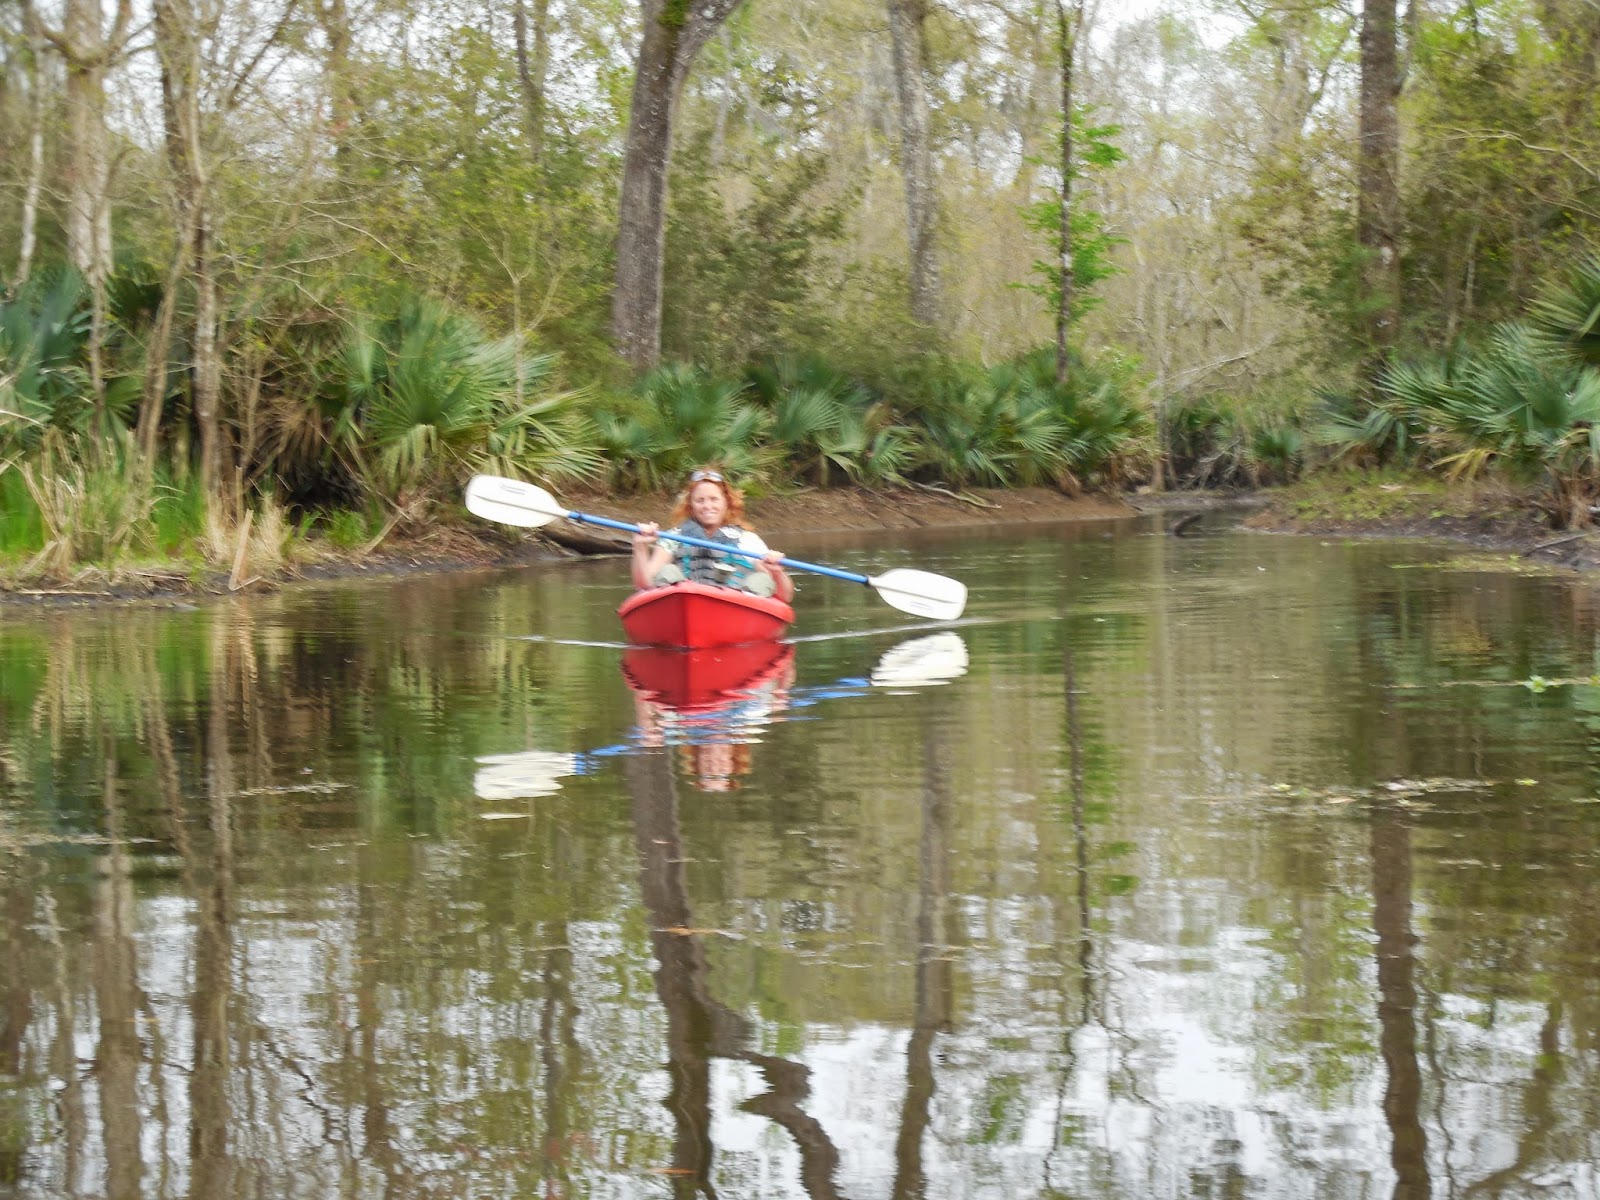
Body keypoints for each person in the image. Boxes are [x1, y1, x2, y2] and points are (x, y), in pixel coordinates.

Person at [631, 466, 795, 602]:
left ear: (726, 502)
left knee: (761, 581)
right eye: (700, 500)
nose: (707, 506)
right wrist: (640, 546)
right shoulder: (674, 537)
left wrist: (777, 571)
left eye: (714, 499)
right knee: (667, 571)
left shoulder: (748, 540)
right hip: (683, 601)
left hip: (734, 605)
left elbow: (785, 596)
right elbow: (644, 584)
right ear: (691, 506)